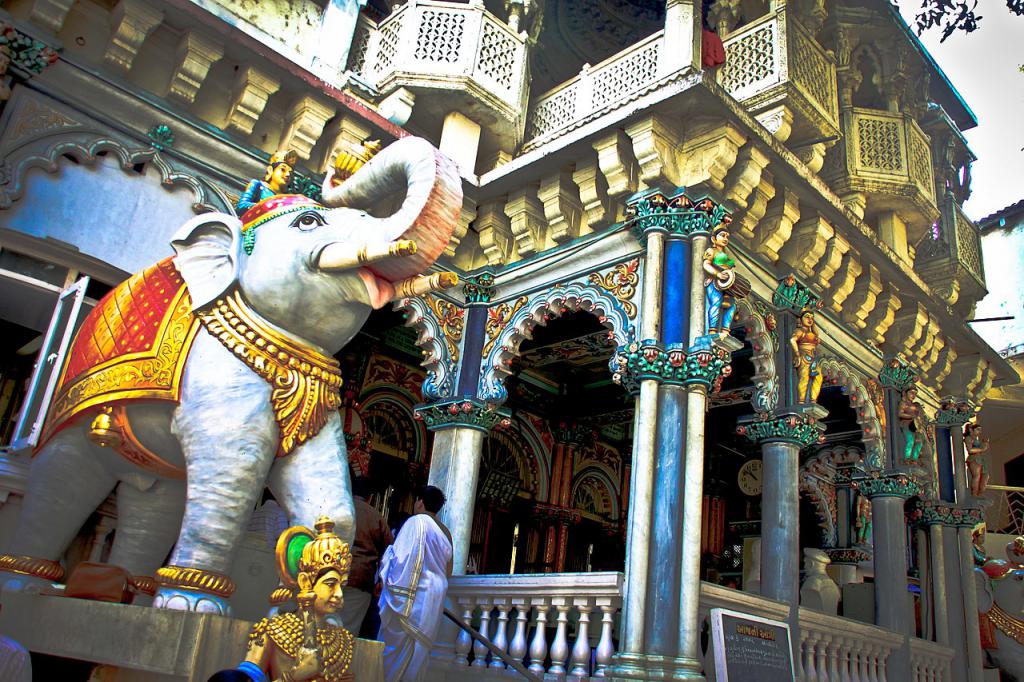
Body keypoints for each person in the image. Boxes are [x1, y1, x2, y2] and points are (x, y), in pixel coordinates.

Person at [212, 516, 356, 682]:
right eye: (330, 584)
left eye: (342, 585)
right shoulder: (273, 631)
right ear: (305, 582)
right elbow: (246, 679)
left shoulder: (343, 641)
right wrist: (294, 677)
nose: (339, 594)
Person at [378, 485, 453, 682]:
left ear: (420, 502)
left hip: (413, 597)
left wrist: (385, 564)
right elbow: (448, 571)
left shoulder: (415, 522)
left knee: (395, 648)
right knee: (419, 652)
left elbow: (401, 559)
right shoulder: (445, 532)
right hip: (434, 596)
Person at [339, 477, 393, 634]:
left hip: (328, 572)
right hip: (359, 578)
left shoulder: (337, 509)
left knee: (320, 624)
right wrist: (381, 581)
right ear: (370, 497)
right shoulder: (376, 517)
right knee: (346, 630)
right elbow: (389, 552)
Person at [236, 149, 298, 214]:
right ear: (270, 170)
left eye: (290, 173)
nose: (287, 174)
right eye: (283, 169)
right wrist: (266, 206)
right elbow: (241, 206)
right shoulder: (258, 185)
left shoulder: (286, 198)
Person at [790, 307, 823, 404]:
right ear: (800, 319)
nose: (810, 319)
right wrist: (797, 354)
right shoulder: (800, 331)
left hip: (813, 357)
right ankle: (801, 400)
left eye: (812, 318)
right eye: (807, 317)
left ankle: (813, 399)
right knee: (804, 378)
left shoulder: (812, 333)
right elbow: (792, 340)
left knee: (818, 377)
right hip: (805, 356)